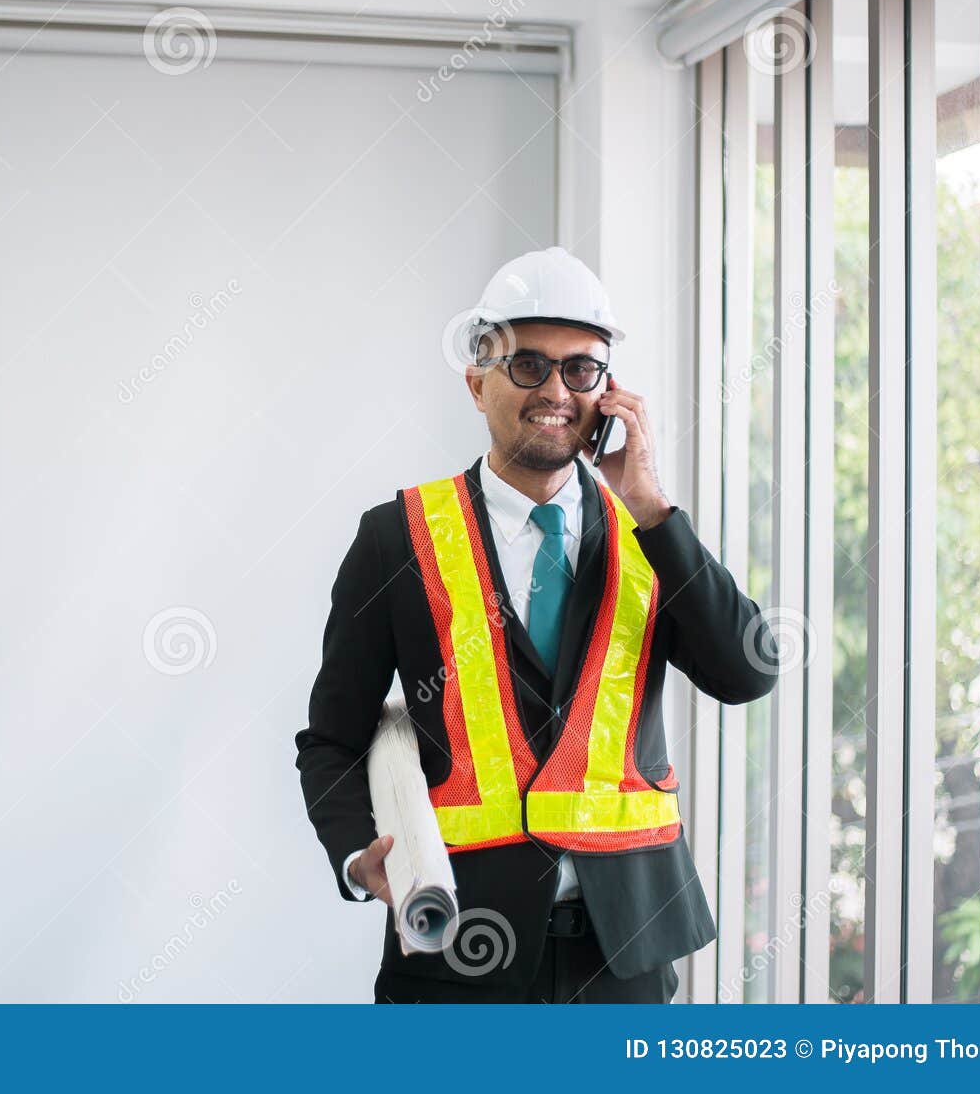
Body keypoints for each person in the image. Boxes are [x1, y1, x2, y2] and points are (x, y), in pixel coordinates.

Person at [294, 246, 779, 1003]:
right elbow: (332, 739)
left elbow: (746, 674)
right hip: (457, 947)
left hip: (624, 954)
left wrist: (653, 511)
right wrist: (360, 856)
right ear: (477, 379)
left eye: (580, 369)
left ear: (607, 391)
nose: (555, 390)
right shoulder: (397, 538)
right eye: (527, 365)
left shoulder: (649, 538)